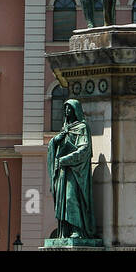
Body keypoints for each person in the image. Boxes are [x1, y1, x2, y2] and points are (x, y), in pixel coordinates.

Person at [47, 98, 96, 240]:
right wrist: (56, 140)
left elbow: (84, 150)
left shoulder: (82, 127)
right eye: (65, 108)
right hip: (63, 171)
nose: (67, 111)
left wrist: (66, 159)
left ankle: (78, 230)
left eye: (70, 108)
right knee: (62, 202)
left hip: (75, 171)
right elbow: (54, 146)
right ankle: (66, 231)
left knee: (70, 198)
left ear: (76, 110)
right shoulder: (65, 128)